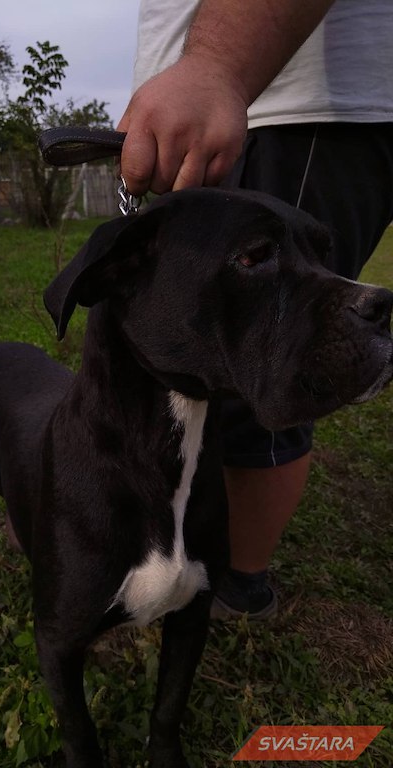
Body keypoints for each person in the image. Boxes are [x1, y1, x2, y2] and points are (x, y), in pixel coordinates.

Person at [117, 0, 393, 619]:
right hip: (241, 102)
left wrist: (216, 66)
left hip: (286, 103)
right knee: (214, 351)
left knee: (273, 367)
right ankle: (161, 541)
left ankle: (235, 585)